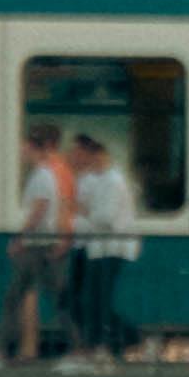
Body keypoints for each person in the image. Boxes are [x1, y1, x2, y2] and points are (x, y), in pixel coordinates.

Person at [6, 117, 73, 368]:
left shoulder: (53, 171)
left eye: (27, 144)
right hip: (49, 241)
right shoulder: (56, 170)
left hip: (46, 243)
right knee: (38, 294)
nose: (22, 149)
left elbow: (60, 206)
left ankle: (30, 347)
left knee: (41, 295)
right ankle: (27, 347)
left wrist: (63, 238)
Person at [71, 129, 141, 361]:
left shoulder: (113, 182)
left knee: (97, 298)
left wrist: (84, 211)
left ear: (99, 156)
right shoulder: (104, 180)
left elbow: (107, 217)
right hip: (100, 247)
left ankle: (109, 343)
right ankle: (112, 341)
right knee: (94, 298)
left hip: (111, 247)